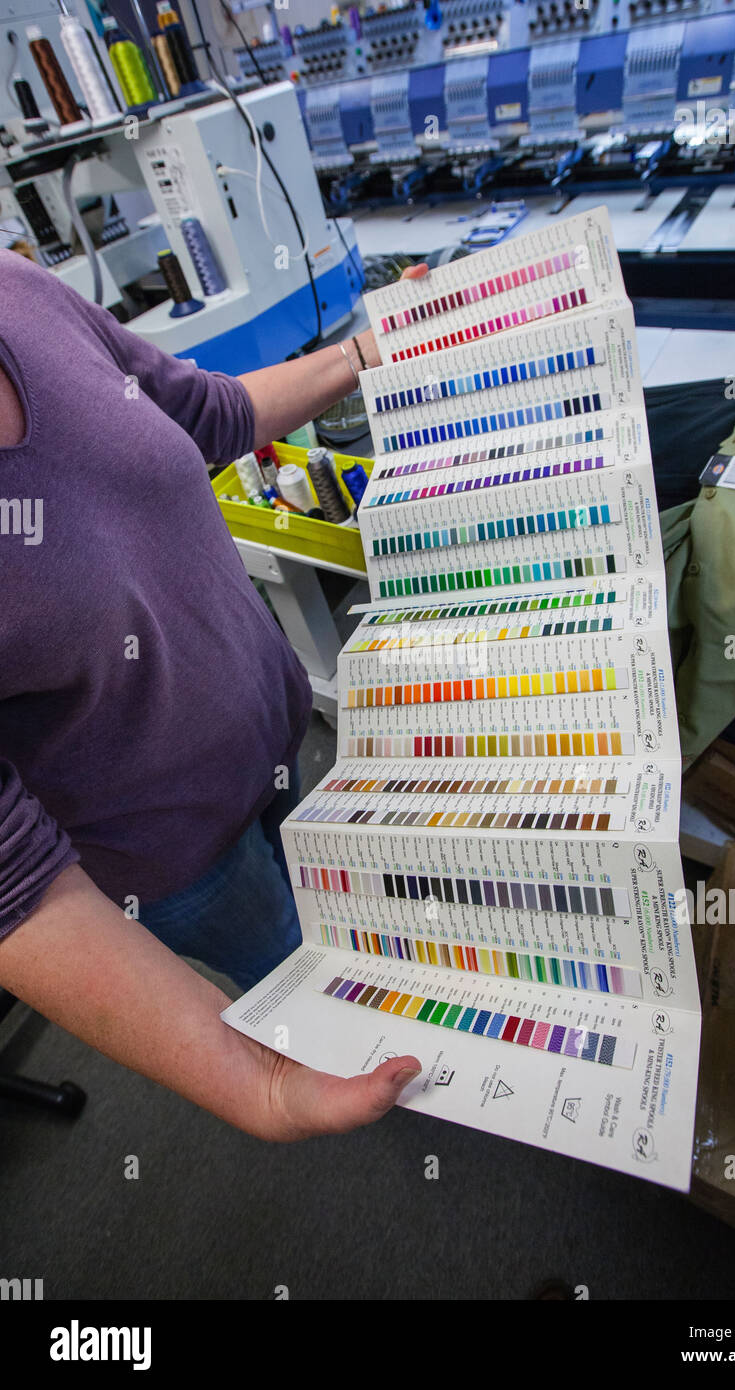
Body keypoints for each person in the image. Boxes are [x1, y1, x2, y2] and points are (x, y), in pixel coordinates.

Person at [0, 246, 426, 1142]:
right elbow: (12, 886)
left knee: (345, 906)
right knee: (303, 966)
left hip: (274, 737)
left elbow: (203, 414)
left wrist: (363, 352)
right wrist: (256, 1087)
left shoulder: (17, 287)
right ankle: (384, 1061)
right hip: (175, 856)